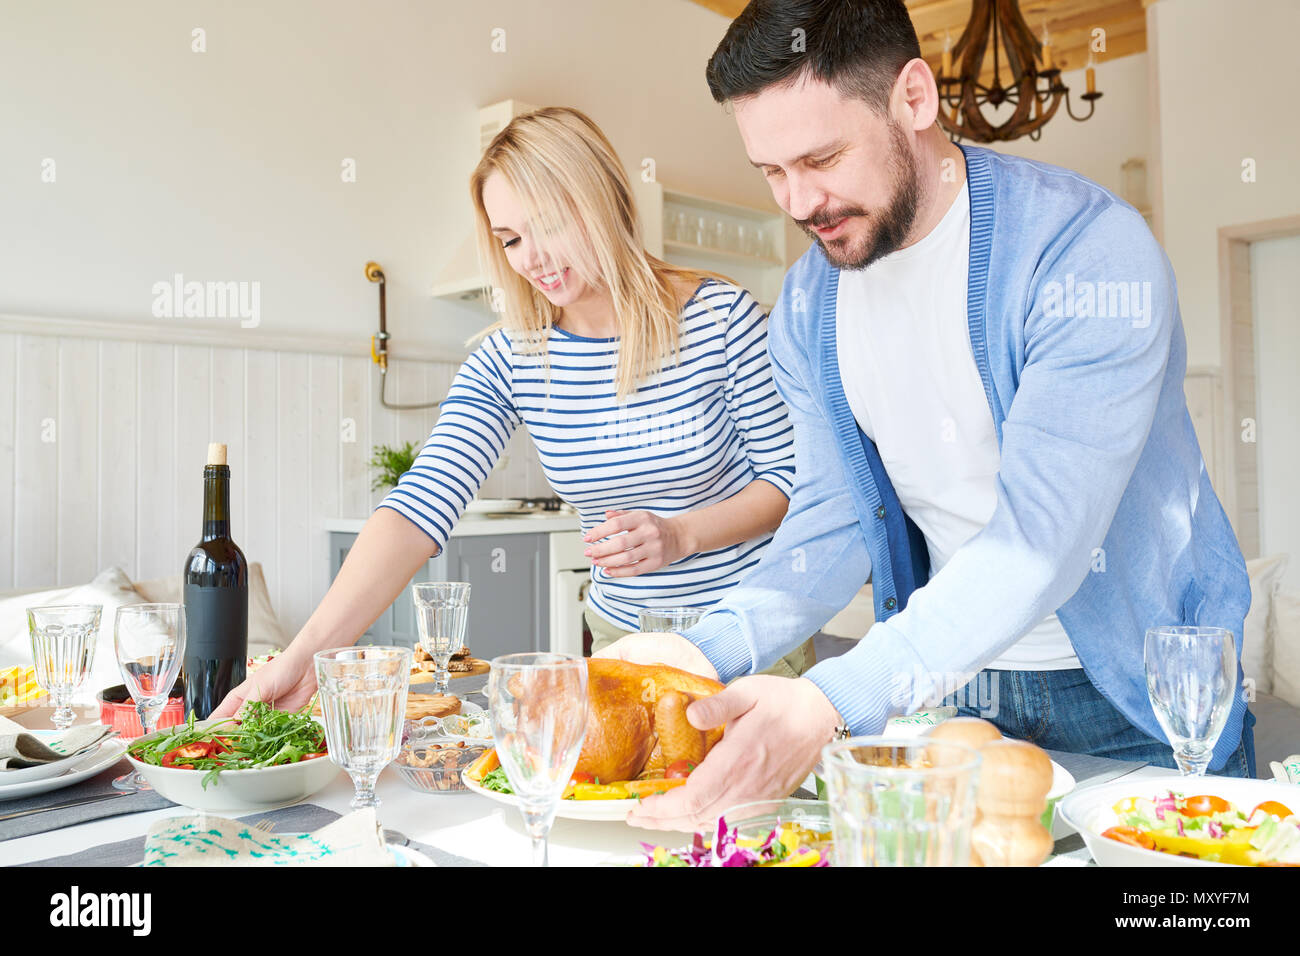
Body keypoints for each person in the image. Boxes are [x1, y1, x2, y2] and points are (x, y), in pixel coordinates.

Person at [598, 0, 1255, 831]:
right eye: (770, 171)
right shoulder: (808, 302)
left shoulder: (1087, 255)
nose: (800, 201)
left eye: (822, 156)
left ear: (913, 98)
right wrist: (705, 648)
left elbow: (1041, 541)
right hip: (950, 694)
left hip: (1140, 705)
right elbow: (832, 517)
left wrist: (832, 698)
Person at [213, 106, 809, 719]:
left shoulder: (720, 318)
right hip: (622, 645)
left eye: (547, 226)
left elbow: (791, 483)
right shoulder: (512, 357)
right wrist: (309, 655)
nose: (532, 259)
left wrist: (682, 534)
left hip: (750, 635)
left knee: (745, 815)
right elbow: (418, 508)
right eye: (511, 240)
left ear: (602, 200)